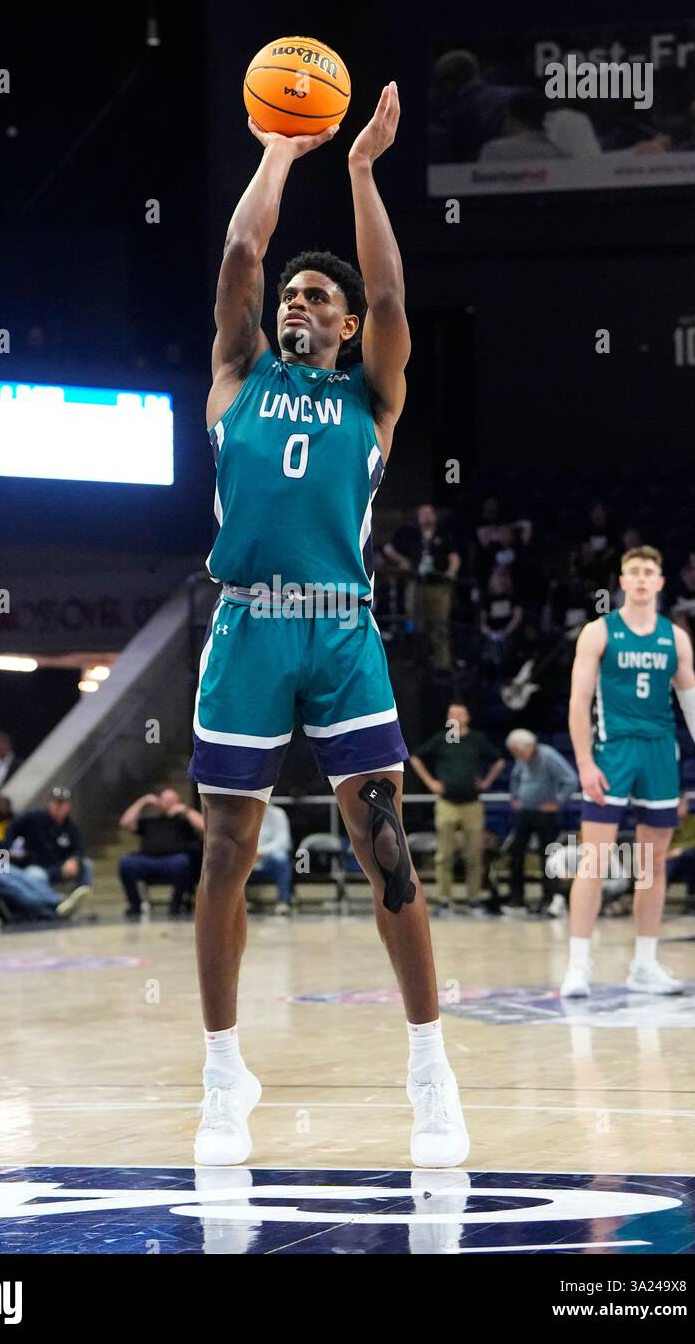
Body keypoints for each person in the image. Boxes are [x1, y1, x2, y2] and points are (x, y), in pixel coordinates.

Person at [187, 83, 468, 1170]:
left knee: (383, 844)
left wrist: (357, 172)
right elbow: (237, 256)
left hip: (341, 630)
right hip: (248, 629)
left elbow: (393, 291)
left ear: (348, 330)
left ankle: (428, 1068)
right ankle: (222, 1078)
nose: (299, 302)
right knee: (225, 849)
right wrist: (278, 151)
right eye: (293, 293)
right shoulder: (232, 376)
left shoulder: (371, 397)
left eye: (320, 297)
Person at [562, 545, 695, 998]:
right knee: (594, 860)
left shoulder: (676, 637)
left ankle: (645, 965)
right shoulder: (598, 632)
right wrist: (585, 762)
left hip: (659, 754)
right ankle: (578, 965)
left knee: (653, 866)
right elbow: (577, 703)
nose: (643, 578)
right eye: (635, 571)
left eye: (651, 571)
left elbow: (694, 705)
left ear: (661, 581)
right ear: (623, 581)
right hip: (612, 752)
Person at [409, 702, 505, 915]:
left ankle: (473, 898)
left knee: (474, 854)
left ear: (467, 717)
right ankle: (444, 899)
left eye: (459, 714)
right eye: (452, 714)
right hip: (447, 803)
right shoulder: (442, 739)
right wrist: (431, 783)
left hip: (471, 803)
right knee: (444, 855)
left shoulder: (476, 739)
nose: (456, 717)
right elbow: (416, 758)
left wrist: (487, 781)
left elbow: (498, 761)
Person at [504, 729, 578, 916]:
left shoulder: (548, 755)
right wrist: (515, 796)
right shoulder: (522, 759)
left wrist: (558, 801)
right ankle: (516, 898)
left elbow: (571, 780)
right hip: (524, 812)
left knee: (548, 856)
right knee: (516, 852)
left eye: (518, 752)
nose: (517, 756)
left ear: (528, 747)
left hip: (545, 815)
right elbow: (515, 777)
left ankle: (550, 898)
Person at [383, 504, 459, 670]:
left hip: (438, 585)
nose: (426, 516)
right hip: (416, 584)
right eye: (422, 513)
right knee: (416, 624)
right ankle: (418, 661)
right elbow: (388, 548)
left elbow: (453, 556)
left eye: (429, 513)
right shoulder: (411, 534)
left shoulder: (443, 535)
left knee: (439, 626)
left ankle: (442, 665)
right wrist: (403, 561)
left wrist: (451, 571)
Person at [118, 788, 204, 918]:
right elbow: (125, 823)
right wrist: (143, 801)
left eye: (171, 800)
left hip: (173, 861)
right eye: (164, 799)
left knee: (183, 862)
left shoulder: (183, 821)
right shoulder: (150, 821)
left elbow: (204, 826)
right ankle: (135, 905)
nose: (167, 803)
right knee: (126, 863)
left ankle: (175, 905)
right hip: (147, 860)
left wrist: (186, 810)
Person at [5, 786, 93, 899]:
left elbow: (79, 847)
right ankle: (50, 906)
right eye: (56, 803)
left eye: (63, 803)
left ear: (68, 806)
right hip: (36, 866)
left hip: (59, 866)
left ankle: (79, 900)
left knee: (87, 865)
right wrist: (13, 849)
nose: (59, 807)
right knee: (35, 876)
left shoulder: (70, 827)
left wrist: (73, 859)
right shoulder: (34, 818)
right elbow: (11, 829)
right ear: (50, 803)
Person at [666, 794, 695, 914]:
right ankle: (656, 899)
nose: (682, 808)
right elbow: (662, 843)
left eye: (684, 805)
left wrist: (681, 849)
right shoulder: (666, 823)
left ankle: (691, 898)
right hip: (669, 859)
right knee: (665, 865)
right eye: (679, 805)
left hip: (689, 860)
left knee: (690, 855)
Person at [250, 804, 294, 915]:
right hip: (247, 857)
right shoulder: (243, 812)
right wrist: (249, 853)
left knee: (281, 858)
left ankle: (283, 902)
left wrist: (261, 852)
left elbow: (283, 841)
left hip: (267, 858)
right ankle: (237, 902)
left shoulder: (278, 814)